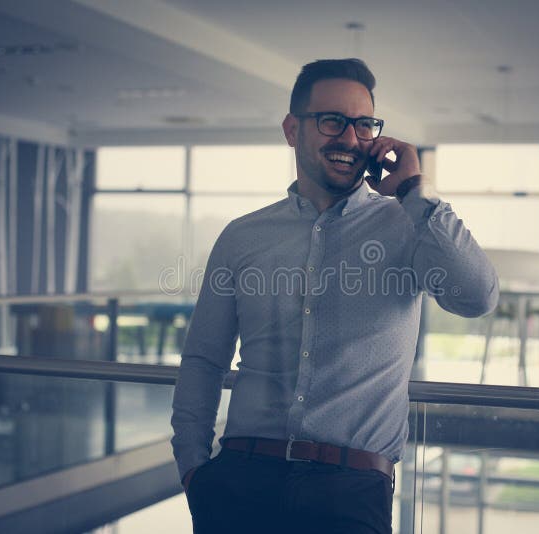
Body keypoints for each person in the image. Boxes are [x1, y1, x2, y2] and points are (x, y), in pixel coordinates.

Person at [171, 58, 498, 533]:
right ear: (291, 130)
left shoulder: (408, 225)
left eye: (364, 125)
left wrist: (414, 192)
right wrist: (194, 469)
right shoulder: (243, 236)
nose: (350, 139)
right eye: (332, 122)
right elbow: (204, 358)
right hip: (238, 481)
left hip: (351, 491)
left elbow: (477, 296)